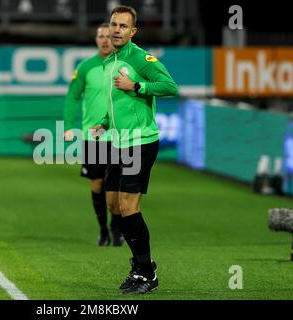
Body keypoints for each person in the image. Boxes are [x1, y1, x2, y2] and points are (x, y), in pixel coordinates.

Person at [91, 5, 178, 294]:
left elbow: (169, 86)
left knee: (129, 206)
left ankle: (146, 271)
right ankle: (142, 266)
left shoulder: (140, 58)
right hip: (118, 142)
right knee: (114, 205)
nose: (116, 30)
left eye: (122, 26)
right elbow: (116, 102)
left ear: (133, 31)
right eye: (113, 25)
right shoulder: (110, 62)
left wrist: (137, 85)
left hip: (140, 141)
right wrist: (104, 122)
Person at [64, 23, 124, 247]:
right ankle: (103, 230)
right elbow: (72, 97)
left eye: (109, 36)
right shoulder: (86, 67)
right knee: (96, 185)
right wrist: (69, 125)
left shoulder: (123, 65)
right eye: (101, 36)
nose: (105, 40)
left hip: (119, 137)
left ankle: (116, 229)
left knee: (115, 191)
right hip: (94, 138)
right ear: (96, 39)